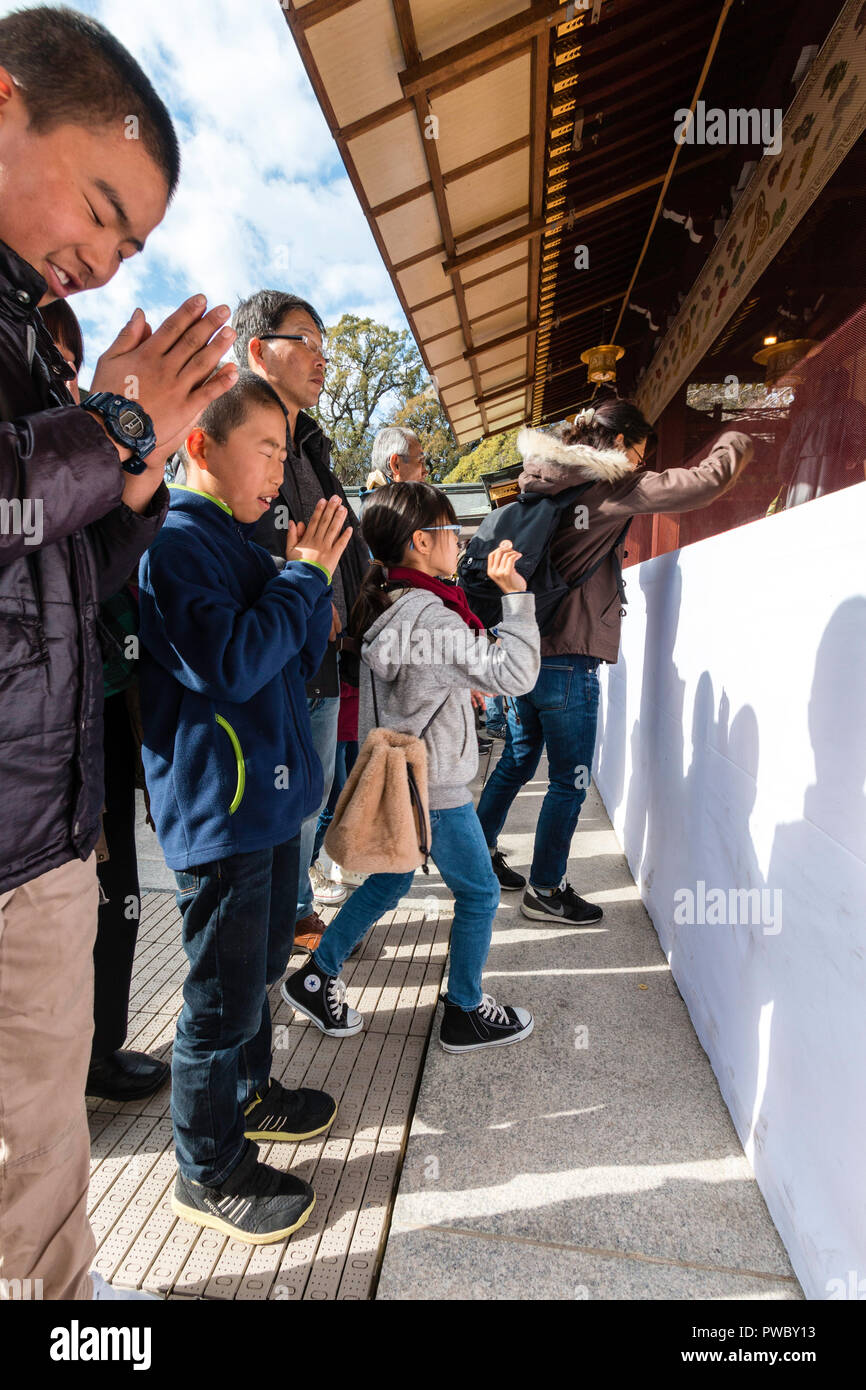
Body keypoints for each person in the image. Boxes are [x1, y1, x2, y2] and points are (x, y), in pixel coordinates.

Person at [0, 6, 237, 1303]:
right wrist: (110, 424)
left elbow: (53, 585)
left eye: (128, 242)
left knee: (41, 1177)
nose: (100, 258)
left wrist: (132, 480)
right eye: (98, 206)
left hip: (38, 833)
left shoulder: (35, 337)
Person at [138, 371, 352, 1244]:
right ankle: (207, 1168)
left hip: (266, 808)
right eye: (265, 448)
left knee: (260, 967)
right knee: (219, 999)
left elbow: (291, 664)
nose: (278, 468)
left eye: (284, 450)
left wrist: (312, 579)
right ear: (201, 445)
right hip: (220, 813)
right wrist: (300, 582)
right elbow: (226, 665)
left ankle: (250, 1095)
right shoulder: (175, 544)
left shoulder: (244, 541)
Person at [282, 482, 541, 1053]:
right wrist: (516, 597)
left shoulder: (393, 599)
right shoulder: (432, 616)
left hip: (403, 776)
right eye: (452, 531)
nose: (460, 542)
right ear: (422, 541)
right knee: (479, 894)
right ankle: (465, 1010)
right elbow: (515, 674)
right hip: (438, 786)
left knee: (392, 880)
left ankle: (316, 974)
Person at [477, 399, 753, 922]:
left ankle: (479, 853)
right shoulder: (609, 483)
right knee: (569, 778)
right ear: (623, 445)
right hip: (568, 655)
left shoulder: (545, 479)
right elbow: (701, 484)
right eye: (642, 451)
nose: (643, 463)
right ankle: (545, 889)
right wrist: (737, 433)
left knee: (516, 759)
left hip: (523, 650)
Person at [42, 298, 169, 1103]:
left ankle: (100, 1052)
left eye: (59, 363)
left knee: (113, 900)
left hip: (104, 712)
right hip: (39, 729)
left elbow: (108, 576)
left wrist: (136, 477)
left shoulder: (93, 454)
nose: (55, 378)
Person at [233, 291, 371, 950]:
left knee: (307, 797)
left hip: (320, 653)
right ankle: (264, 925)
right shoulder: (226, 433)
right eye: (305, 341)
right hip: (265, 656)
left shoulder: (311, 443)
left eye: (324, 345)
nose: (321, 359)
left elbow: (342, 544)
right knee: (270, 803)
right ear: (259, 350)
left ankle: (291, 909)